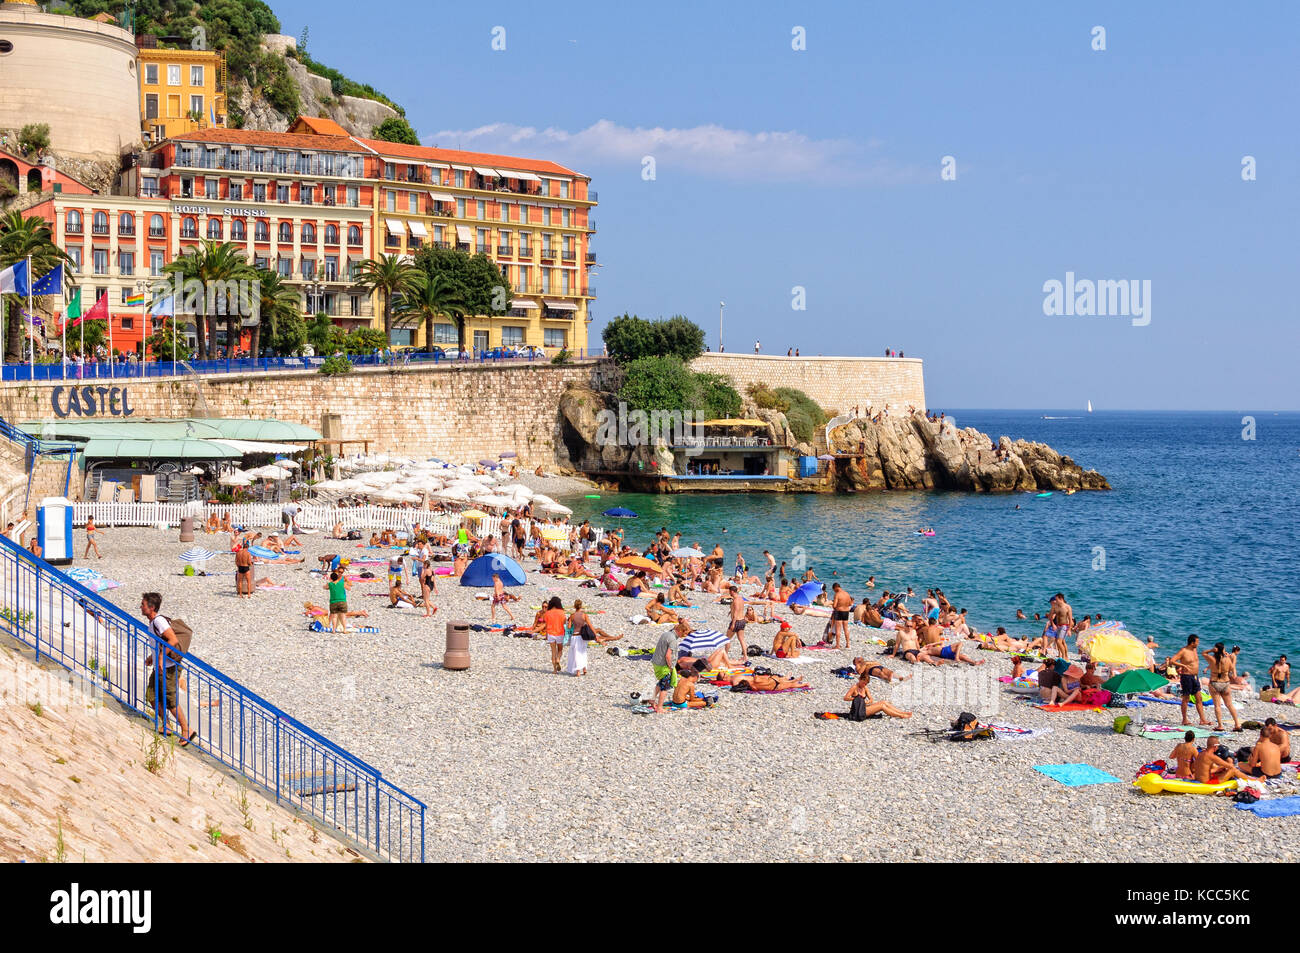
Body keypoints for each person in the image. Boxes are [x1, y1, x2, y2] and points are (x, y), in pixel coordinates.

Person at [140, 592, 196, 747]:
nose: (140, 606)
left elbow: (173, 639)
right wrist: (153, 656)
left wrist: (160, 657)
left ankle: (187, 730)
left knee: (170, 701)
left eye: (143, 604)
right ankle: (167, 725)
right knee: (151, 695)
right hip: (160, 667)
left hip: (168, 668)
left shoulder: (159, 621)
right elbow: (161, 642)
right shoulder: (153, 623)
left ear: (151, 608)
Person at [1167, 634, 1210, 727]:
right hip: (1186, 677)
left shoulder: (1194, 649)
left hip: (1195, 677)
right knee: (1186, 698)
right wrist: (1183, 666)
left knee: (1199, 698)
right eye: (1197, 642)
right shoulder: (1183, 651)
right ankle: (1184, 719)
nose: (1198, 644)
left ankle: (1203, 720)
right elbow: (1172, 661)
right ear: (1192, 643)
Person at [1203, 642, 1242, 732]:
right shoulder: (1227, 659)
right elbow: (1232, 669)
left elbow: (1204, 653)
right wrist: (1227, 657)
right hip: (1225, 683)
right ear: (1223, 650)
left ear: (1215, 649)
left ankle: (1220, 725)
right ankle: (1237, 724)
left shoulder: (1212, 659)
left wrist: (1211, 650)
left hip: (1214, 683)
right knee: (1229, 705)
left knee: (1217, 705)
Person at [650, 618, 680, 714]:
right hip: (664, 666)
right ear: (680, 631)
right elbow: (668, 655)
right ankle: (659, 708)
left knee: (660, 683)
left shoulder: (666, 634)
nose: (683, 636)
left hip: (656, 662)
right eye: (683, 633)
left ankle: (652, 699)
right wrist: (671, 667)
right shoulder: (673, 640)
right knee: (665, 687)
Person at [542, 596, 566, 673]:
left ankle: (555, 670)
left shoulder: (547, 613)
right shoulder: (561, 612)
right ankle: (558, 659)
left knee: (553, 651)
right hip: (560, 632)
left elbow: (545, 623)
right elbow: (564, 622)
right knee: (560, 649)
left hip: (550, 633)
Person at [724, 583, 749, 657]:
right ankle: (745, 656)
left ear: (732, 591)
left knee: (727, 639)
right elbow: (739, 609)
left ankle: (725, 655)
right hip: (742, 621)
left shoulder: (735, 601)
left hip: (736, 621)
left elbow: (736, 611)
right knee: (741, 640)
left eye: (729, 592)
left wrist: (733, 624)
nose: (729, 593)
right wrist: (730, 611)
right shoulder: (741, 599)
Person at [324, 567, 352, 633]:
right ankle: (345, 629)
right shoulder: (342, 583)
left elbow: (324, 587)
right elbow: (349, 588)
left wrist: (330, 582)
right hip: (342, 600)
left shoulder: (330, 584)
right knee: (343, 616)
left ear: (331, 578)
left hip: (333, 602)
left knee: (334, 617)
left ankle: (333, 630)